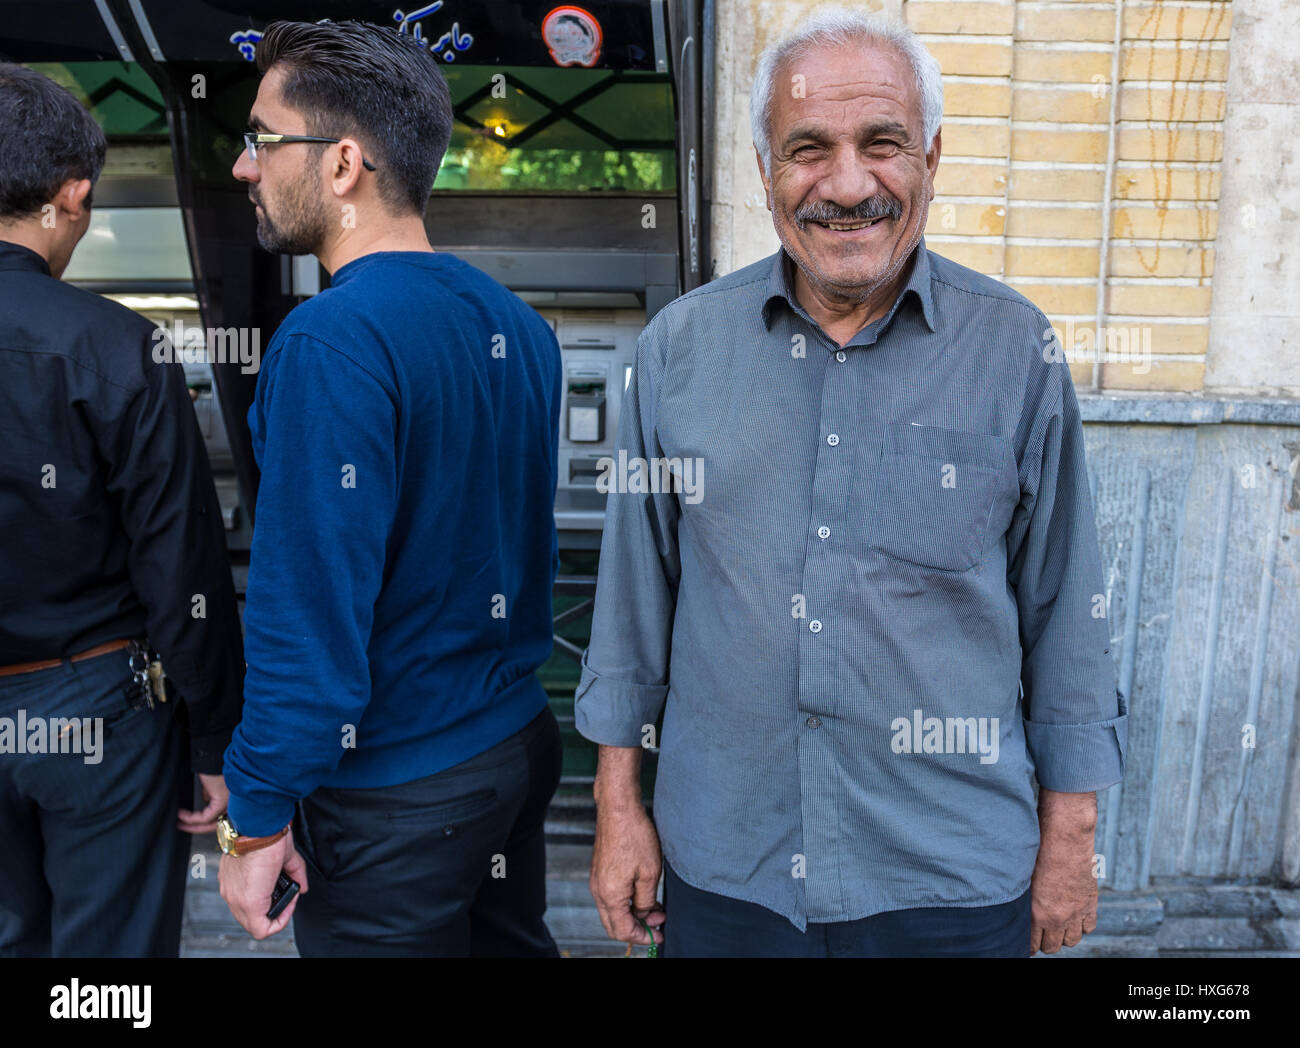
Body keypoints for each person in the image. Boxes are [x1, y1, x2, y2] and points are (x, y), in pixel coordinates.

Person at [577, 8, 1128, 958]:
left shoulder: (1014, 350)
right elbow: (635, 601)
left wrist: (1071, 837)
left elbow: (1064, 606)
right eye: (807, 149)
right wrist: (617, 801)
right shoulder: (679, 349)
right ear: (764, 171)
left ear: (931, 157)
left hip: (947, 874)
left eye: (883, 144)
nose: (846, 184)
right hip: (728, 866)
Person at [218, 20, 564, 956]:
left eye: (261, 138)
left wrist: (254, 814)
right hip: (515, 746)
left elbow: (308, 608)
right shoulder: (519, 327)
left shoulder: (330, 340)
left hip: (397, 796)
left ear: (341, 164)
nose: (245, 167)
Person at [0, 63, 245, 957]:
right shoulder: (117, 345)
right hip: (97, 707)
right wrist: (217, 738)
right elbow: (180, 565)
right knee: (109, 972)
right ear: (70, 196)